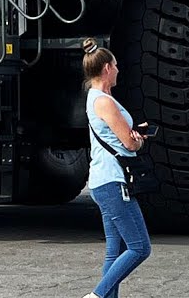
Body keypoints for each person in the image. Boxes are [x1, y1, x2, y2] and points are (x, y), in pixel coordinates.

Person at [80, 37, 151, 298]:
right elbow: (129, 144)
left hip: (102, 181)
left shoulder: (95, 98)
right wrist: (140, 140)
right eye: (116, 66)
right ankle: (97, 295)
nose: (119, 70)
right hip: (113, 182)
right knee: (140, 247)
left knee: (116, 250)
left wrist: (133, 135)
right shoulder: (104, 102)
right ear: (107, 68)